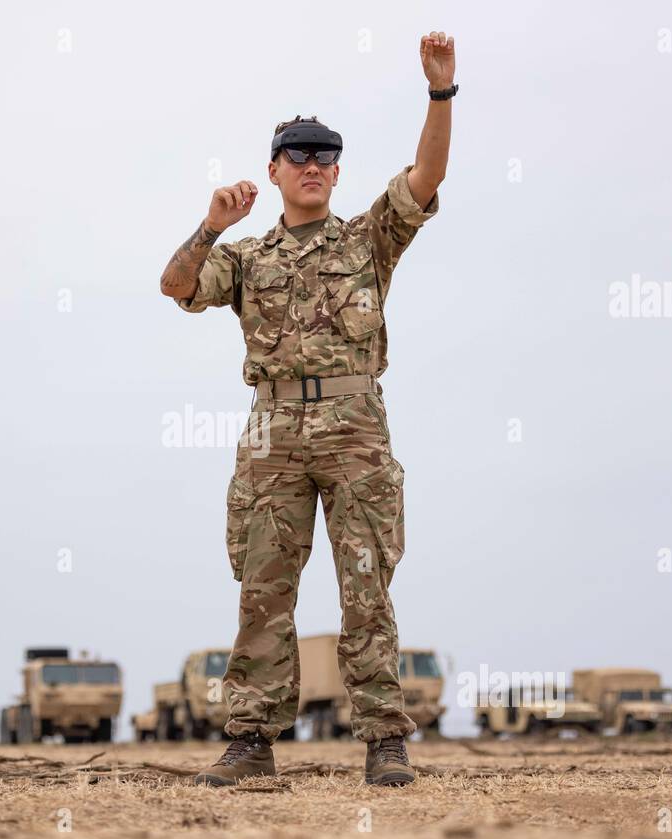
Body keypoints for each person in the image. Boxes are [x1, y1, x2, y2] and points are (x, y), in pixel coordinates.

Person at [159, 31, 457, 786]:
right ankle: (251, 739)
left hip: (356, 429)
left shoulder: (367, 240)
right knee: (264, 588)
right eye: (300, 155)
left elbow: (425, 177)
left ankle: (385, 738)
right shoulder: (248, 258)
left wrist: (439, 93)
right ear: (274, 170)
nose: (316, 166)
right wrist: (210, 226)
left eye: (327, 156)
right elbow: (175, 286)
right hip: (273, 431)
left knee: (366, 584)